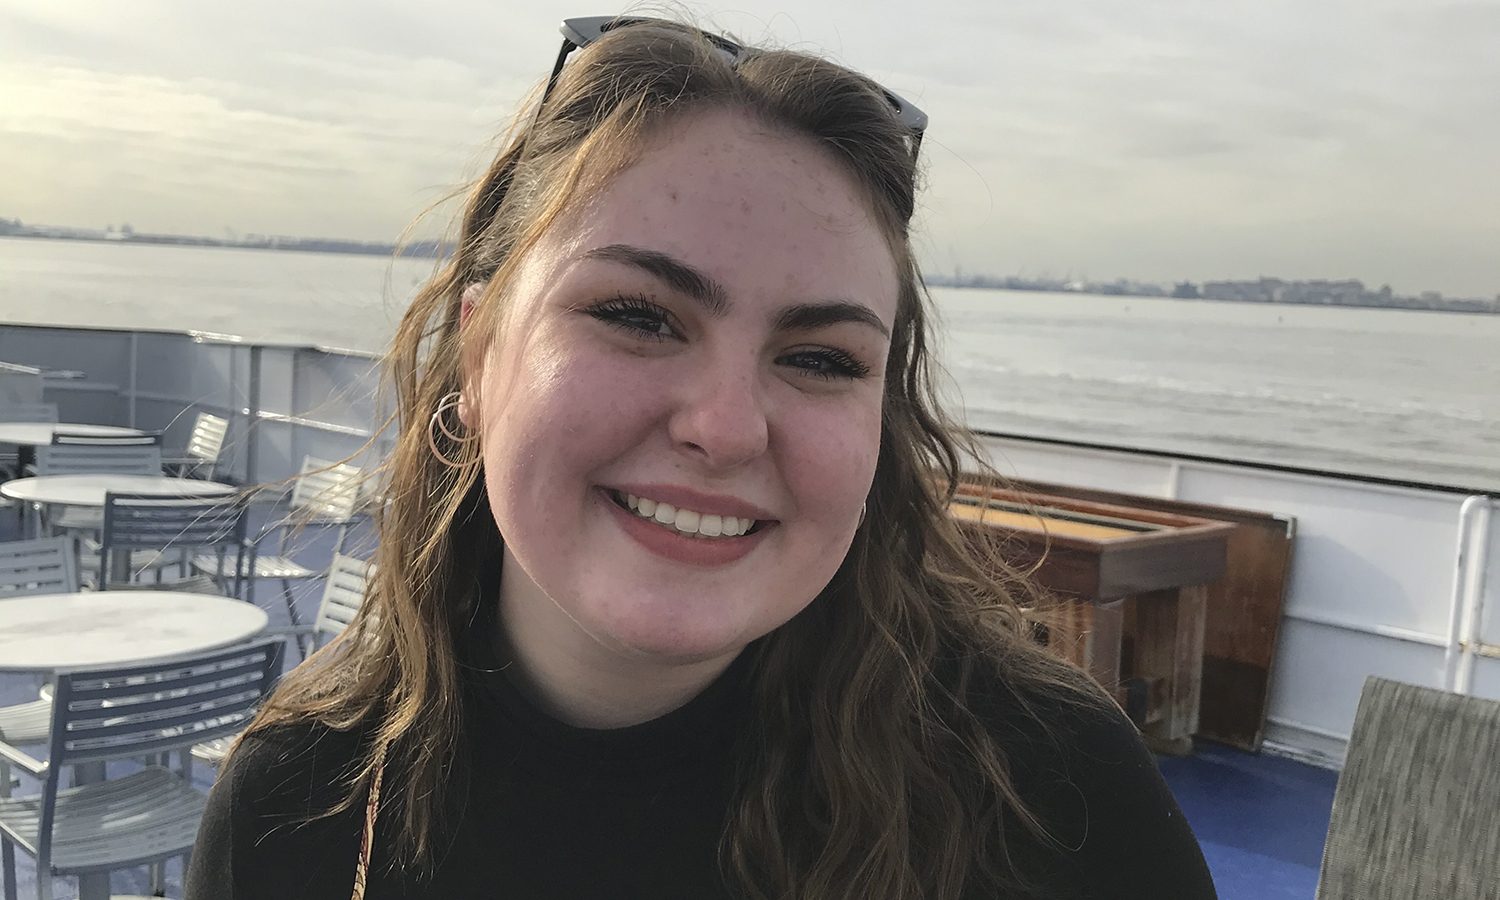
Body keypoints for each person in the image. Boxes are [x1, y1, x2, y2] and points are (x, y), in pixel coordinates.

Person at [186, 15, 1217, 900]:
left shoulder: (1049, 794)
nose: (726, 429)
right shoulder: (296, 803)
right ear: (478, 353)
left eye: (820, 358)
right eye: (638, 315)